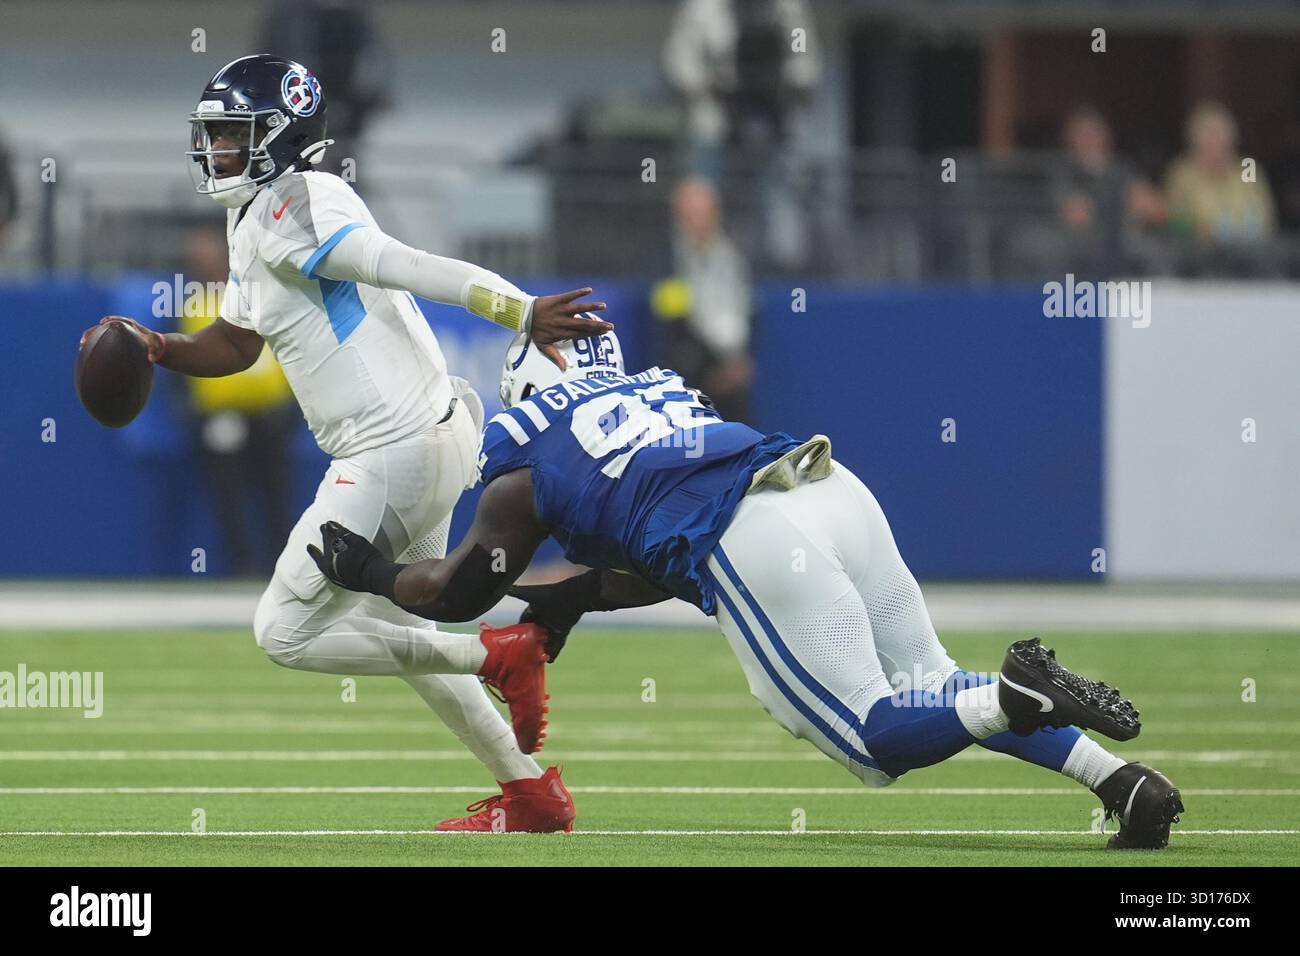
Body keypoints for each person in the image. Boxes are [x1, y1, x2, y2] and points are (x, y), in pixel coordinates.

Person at [309, 331, 1185, 849]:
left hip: (754, 536)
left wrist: (369, 572)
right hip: (831, 489)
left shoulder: (525, 450)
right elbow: (657, 545)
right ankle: (1123, 785)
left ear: (523, 386)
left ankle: (1015, 695)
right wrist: (576, 596)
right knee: (927, 680)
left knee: (874, 742)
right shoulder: (657, 391)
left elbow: (459, 593)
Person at [81, 54, 614, 833]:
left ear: (281, 138)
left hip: (390, 447)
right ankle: (530, 792)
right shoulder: (257, 212)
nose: (214, 150)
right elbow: (237, 344)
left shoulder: (298, 201)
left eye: (232, 135)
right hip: (421, 434)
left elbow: (403, 264)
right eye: (215, 135)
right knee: (408, 634)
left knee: (284, 631)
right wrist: (159, 348)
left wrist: (519, 308)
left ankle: (502, 652)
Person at [179, 225, 296, 577]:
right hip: (222, 417)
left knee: (276, 494)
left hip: (269, 413)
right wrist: (198, 416)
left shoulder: (259, 293)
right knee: (229, 498)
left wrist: (289, 411)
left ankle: (282, 567)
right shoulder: (192, 303)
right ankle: (243, 566)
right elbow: (182, 365)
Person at [652, 178, 753, 422]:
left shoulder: (733, 256)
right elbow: (673, 323)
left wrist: (740, 361)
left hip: (734, 379)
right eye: (689, 214)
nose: (696, 221)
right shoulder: (667, 263)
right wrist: (715, 368)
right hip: (691, 380)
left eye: (702, 213)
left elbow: (748, 308)